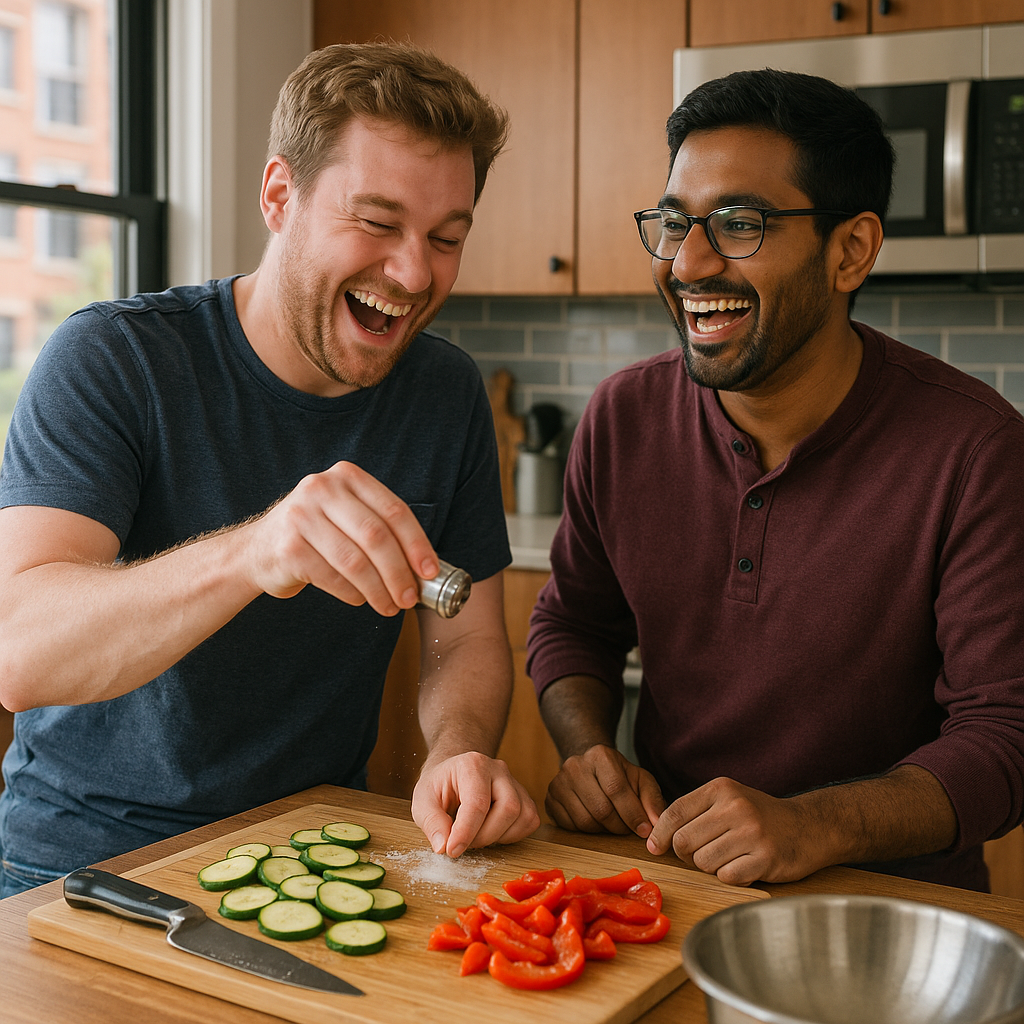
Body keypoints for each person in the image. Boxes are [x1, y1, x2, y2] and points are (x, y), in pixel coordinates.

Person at [0, 42, 540, 900]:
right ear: (280, 197)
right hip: (84, 869)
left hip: (319, 856)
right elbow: (21, 651)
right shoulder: (113, 359)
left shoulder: (445, 392)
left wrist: (458, 748)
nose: (412, 273)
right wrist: (257, 551)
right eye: (376, 222)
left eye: (446, 238)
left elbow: (466, 638)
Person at [526, 68, 1024, 892]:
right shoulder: (622, 418)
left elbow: (1005, 734)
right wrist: (590, 751)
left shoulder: (976, 452)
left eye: (738, 224)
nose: (688, 263)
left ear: (850, 251)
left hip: (889, 909)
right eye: (675, 223)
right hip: (670, 884)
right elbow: (573, 624)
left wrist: (811, 825)